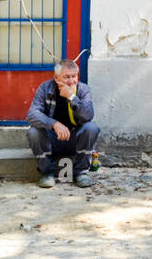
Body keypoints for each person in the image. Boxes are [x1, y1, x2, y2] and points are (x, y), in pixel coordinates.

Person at [26, 60, 98, 188]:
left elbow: (88, 115)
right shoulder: (45, 88)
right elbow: (32, 114)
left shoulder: (83, 89)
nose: (71, 81)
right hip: (52, 140)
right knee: (33, 132)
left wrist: (72, 97)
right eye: (66, 77)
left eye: (74, 76)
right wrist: (54, 124)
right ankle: (47, 173)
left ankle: (81, 173)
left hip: (75, 140)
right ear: (56, 77)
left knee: (91, 128)